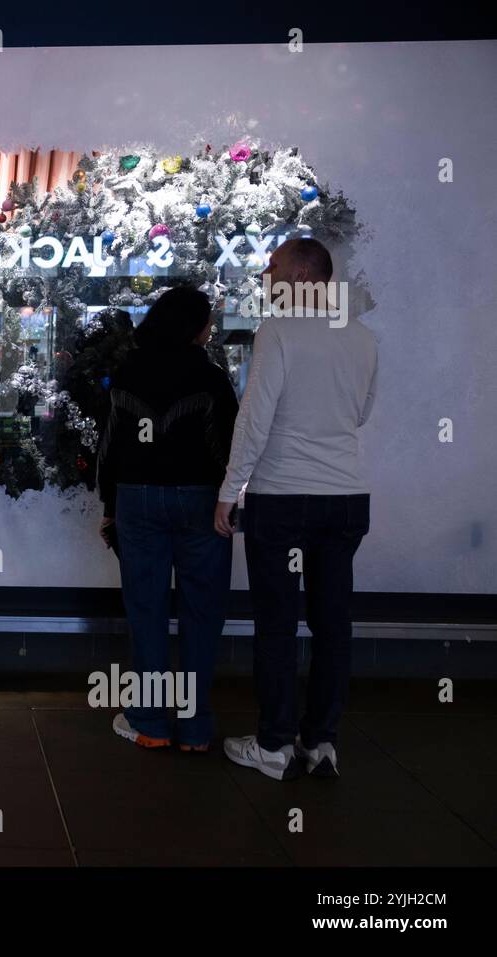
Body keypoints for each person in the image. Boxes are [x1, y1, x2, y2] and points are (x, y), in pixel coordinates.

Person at [215, 238, 377, 781]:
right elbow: (361, 413)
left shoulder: (279, 332)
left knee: (278, 624)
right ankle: (321, 742)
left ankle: (274, 744)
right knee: (334, 625)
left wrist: (229, 489)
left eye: (275, 266)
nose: (267, 273)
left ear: (305, 276)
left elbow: (254, 419)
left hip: (283, 498)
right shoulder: (362, 337)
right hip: (346, 499)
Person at [96, 288, 239, 752]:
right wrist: (228, 498)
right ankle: (195, 730)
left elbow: (109, 449)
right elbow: (231, 447)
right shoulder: (211, 377)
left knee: (147, 610)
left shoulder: (128, 372)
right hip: (202, 503)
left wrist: (109, 508)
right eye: (207, 321)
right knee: (202, 612)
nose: (211, 328)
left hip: (137, 501)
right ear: (194, 326)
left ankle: (151, 724)